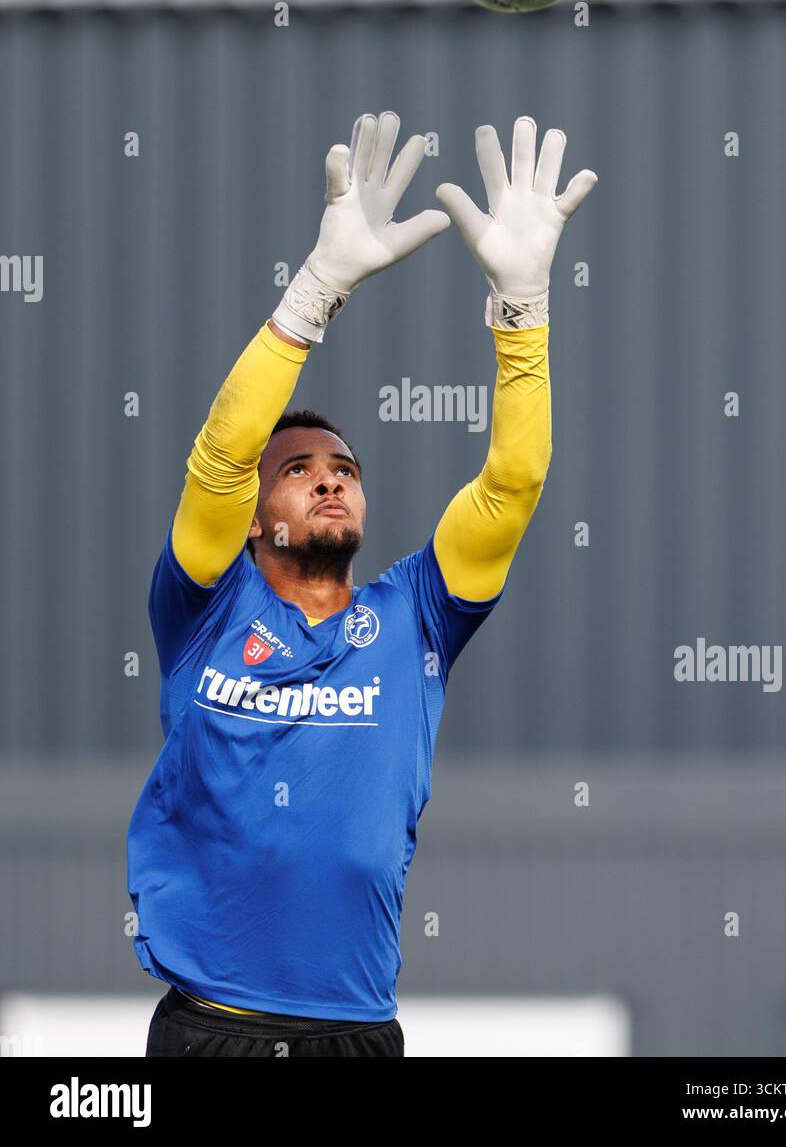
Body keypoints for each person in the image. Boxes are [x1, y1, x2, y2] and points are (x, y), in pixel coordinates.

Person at [128, 110, 597, 1057]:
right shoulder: (205, 605)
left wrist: (523, 308)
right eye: (297, 470)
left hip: (357, 1036)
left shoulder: (416, 613)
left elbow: (511, 485)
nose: (329, 476)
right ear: (258, 516)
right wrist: (316, 291)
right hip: (209, 1031)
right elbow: (222, 457)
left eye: (342, 465)